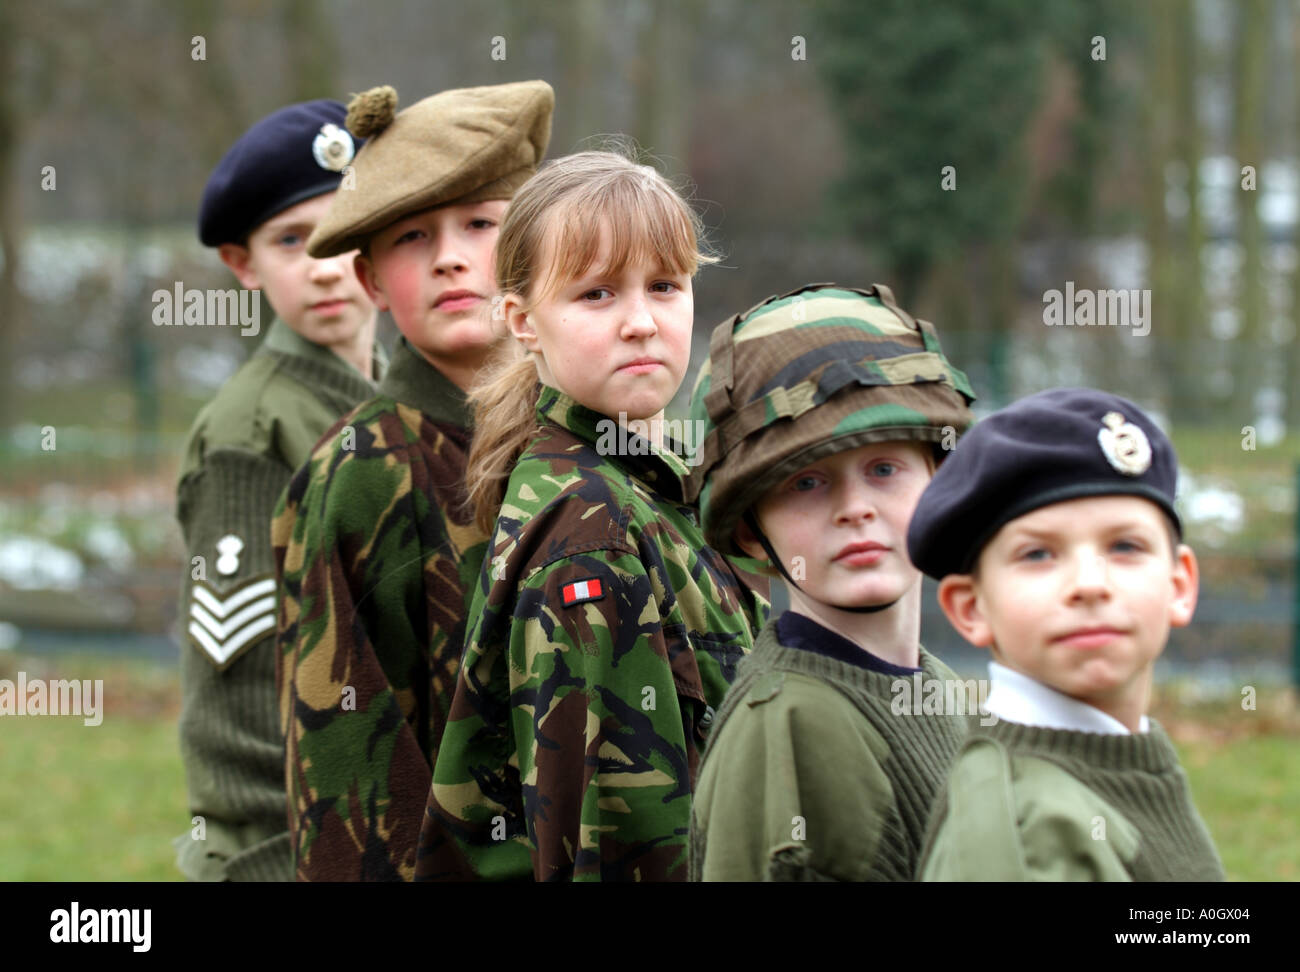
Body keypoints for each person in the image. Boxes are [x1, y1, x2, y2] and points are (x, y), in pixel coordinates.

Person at [417, 149, 770, 882]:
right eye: (597, 294)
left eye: (664, 286)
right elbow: (617, 852)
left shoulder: (657, 483)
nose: (641, 323)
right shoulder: (593, 537)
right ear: (523, 321)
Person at [272, 80, 554, 881]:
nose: (449, 258)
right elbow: (346, 782)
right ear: (369, 282)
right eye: (411, 237)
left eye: (480, 224)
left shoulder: (596, 443)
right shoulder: (363, 473)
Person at [685, 283, 977, 881]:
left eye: (884, 468)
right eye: (807, 483)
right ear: (750, 531)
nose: (855, 508)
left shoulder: (939, 688)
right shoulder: (789, 731)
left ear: (940, 483)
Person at [175, 99, 382, 882]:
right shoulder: (251, 433)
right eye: (291, 240)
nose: (324, 264)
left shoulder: (391, 399)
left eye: (343, 231)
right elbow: (239, 702)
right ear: (243, 264)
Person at [908, 388, 1225, 881]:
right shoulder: (1029, 831)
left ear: (1179, 585)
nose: (1090, 584)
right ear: (972, 608)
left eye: (1125, 546)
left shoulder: (1117, 757)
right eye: (1038, 554)